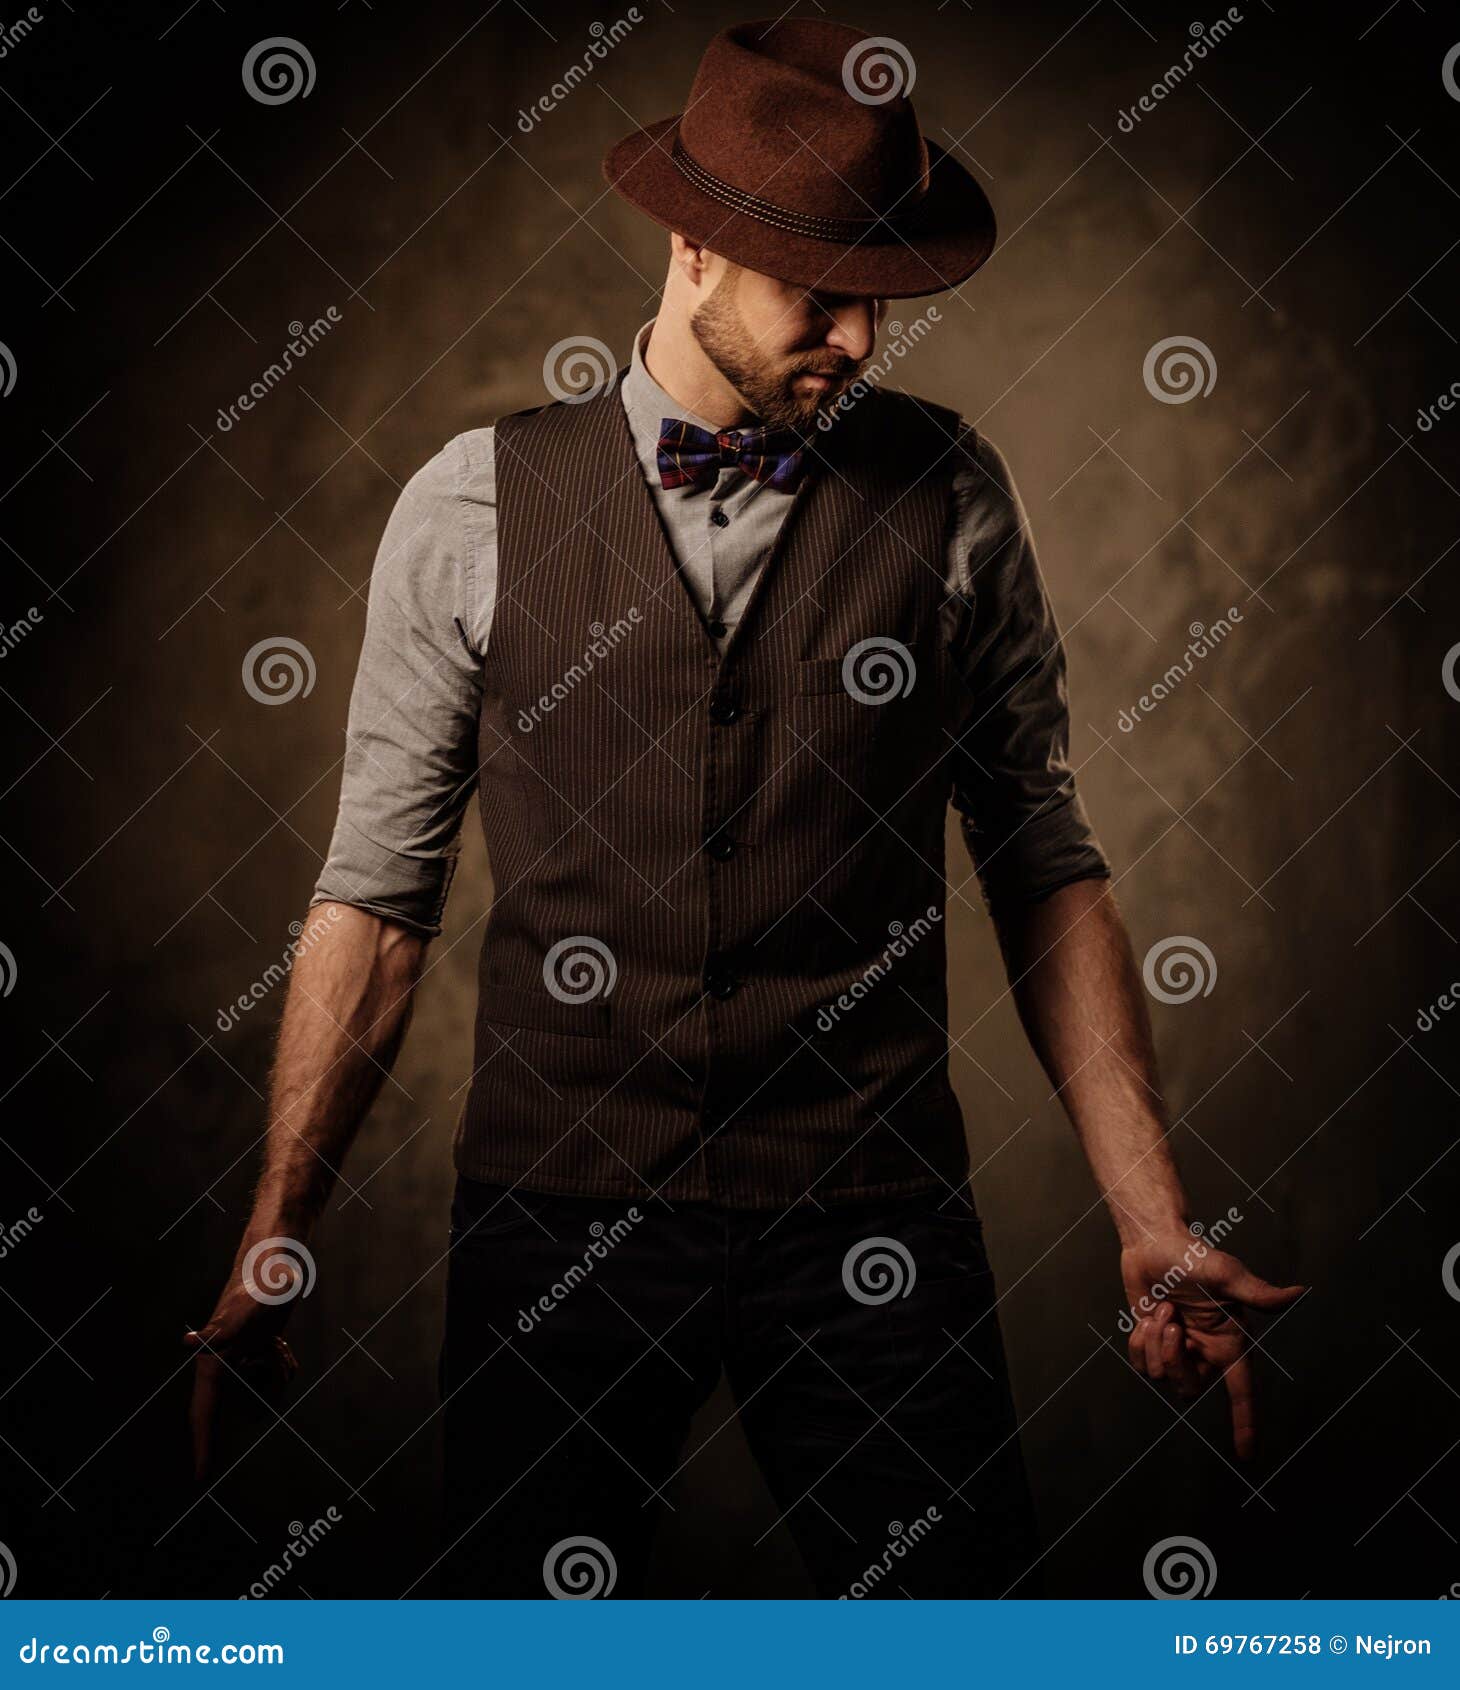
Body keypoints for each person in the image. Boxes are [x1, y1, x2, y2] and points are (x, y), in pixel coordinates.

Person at [186, 16, 1304, 1599]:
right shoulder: (467, 506)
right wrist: (277, 1229)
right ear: (693, 247)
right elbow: (375, 900)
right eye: (820, 289)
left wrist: (1154, 1216)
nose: (859, 336)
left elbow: (1046, 871)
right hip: (557, 1214)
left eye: (882, 295)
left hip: (871, 1212)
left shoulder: (953, 498)